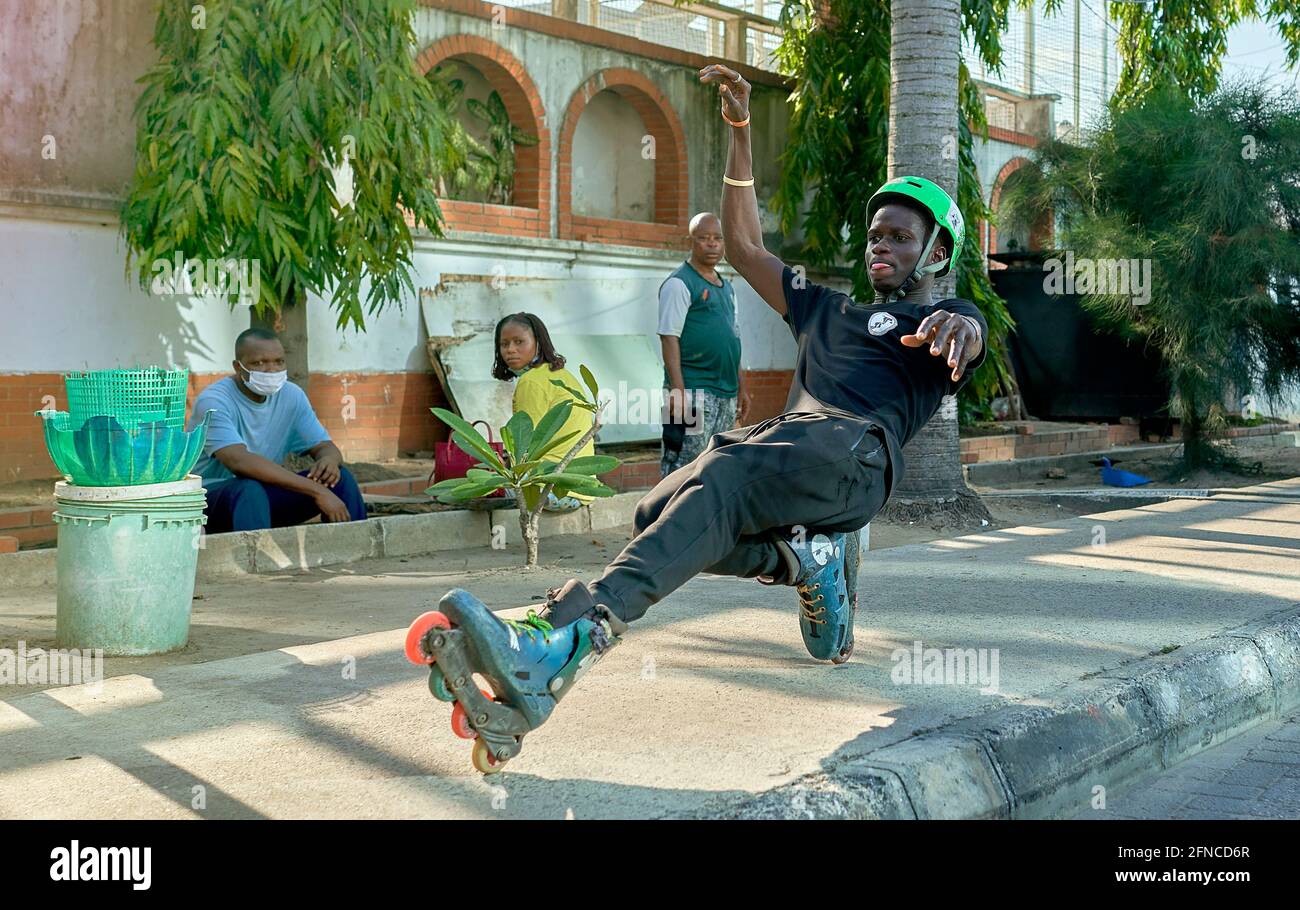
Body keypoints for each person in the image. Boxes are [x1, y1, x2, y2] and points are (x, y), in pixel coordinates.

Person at [414, 62, 988, 772]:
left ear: (937, 253)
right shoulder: (826, 306)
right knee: (657, 512)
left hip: (855, 456)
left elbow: (968, 330)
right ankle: (801, 559)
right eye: (876, 234)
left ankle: (565, 638)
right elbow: (746, 248)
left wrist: (963, 329)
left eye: (901, 237)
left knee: (724, 472)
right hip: (792, 450)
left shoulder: (937, 318)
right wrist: (740, 132)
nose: (881, 245)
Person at [188, 328, 367, 533]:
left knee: (339, 479)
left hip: (259, 501)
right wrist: (317, 491)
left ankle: (358, 544)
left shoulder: (292, 395)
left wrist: (329, 461)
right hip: (207, 504)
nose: (271, 370)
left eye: (279, 361)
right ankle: (256, 561)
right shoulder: (214, 401)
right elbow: (239, 461)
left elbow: (325, 446)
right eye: (259, 363)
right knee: (248, 488)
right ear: (238, 367)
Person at [657, 212, 749, 476]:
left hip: (725, 393)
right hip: (692, 392)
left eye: (718, 238)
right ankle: (667, 516)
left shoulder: (727, 288)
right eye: (704, 238)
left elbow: (734, 337)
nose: (712, 244)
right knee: (683, 464)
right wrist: (677, 391)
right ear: (691, 241)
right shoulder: (679, 283)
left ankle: (705, 517)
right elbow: (669, 337)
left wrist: (742, 386)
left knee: (715, 463)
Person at [494, 312, 596, 512]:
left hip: (551, 490)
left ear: (538, 343)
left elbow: (524, 444)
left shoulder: (531, 381)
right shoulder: (561, 374)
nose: (511, 350)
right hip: (582, 489)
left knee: (477, 487)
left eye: (519, 342)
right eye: (504, 344)